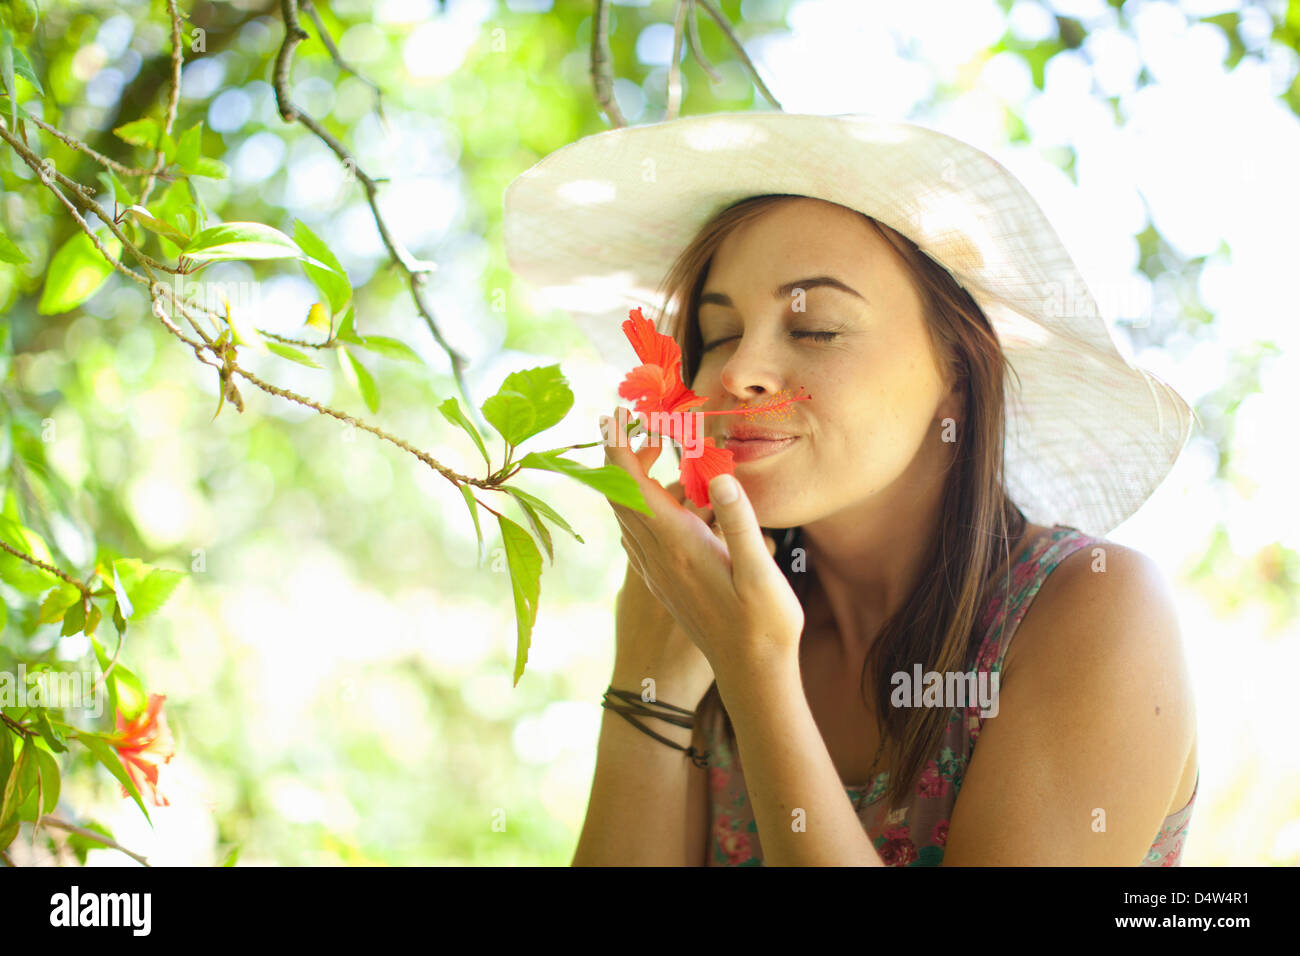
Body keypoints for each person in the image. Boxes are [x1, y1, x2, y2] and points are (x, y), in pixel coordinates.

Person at [503, 112, 1198, 866]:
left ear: (958, 373)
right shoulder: (706, 609)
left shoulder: (1093, 610)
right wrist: (650, 681)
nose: (737, 374)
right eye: (720, 333)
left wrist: (753, 667)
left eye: (817, 329)